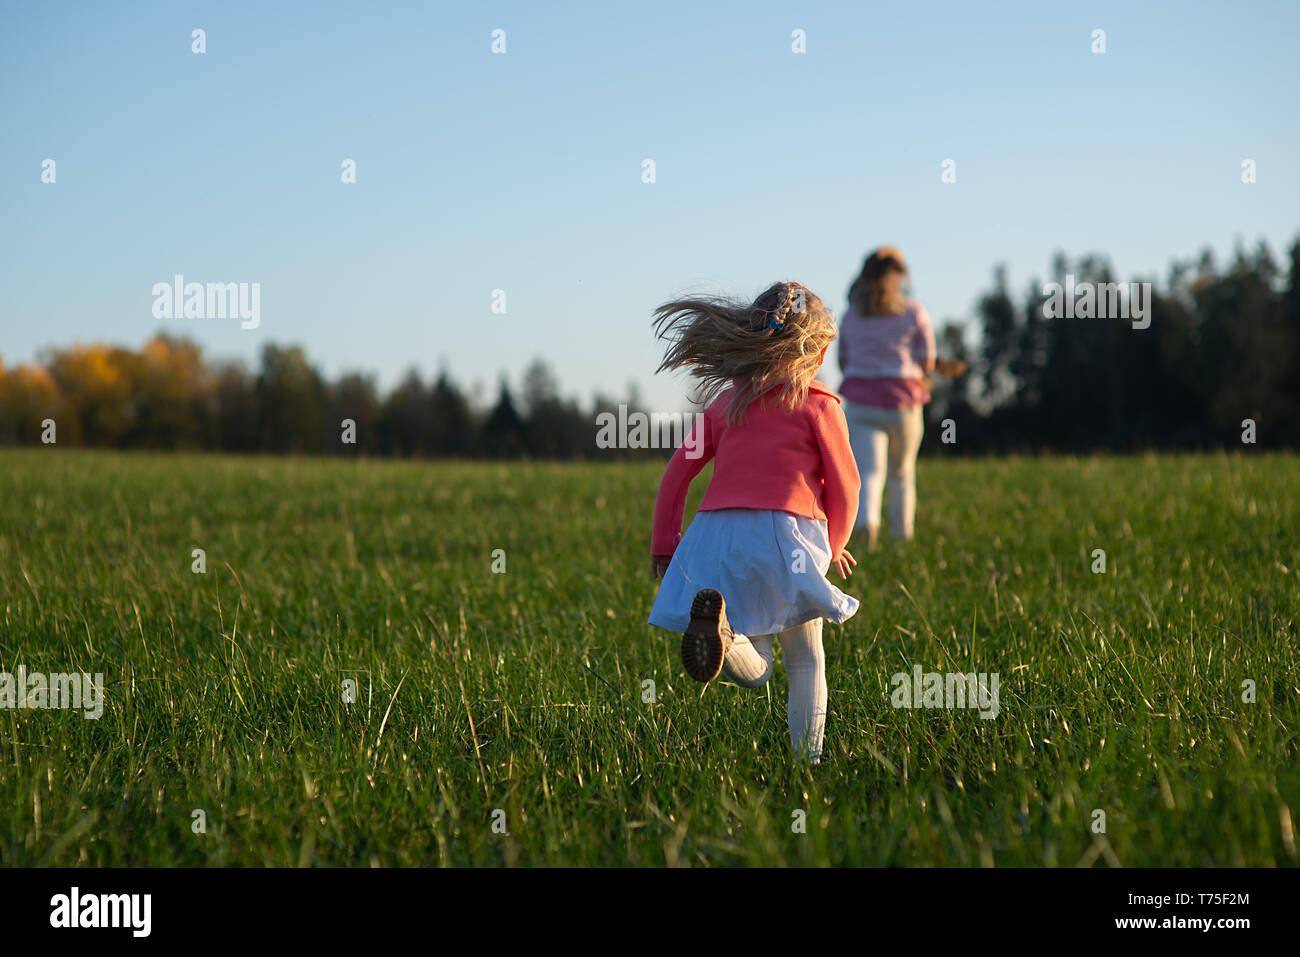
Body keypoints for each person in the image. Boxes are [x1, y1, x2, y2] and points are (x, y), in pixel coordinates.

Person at [647, 280, 860, 764]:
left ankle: (725, 633)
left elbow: (677, 473)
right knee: (805, 658)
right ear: (817, 348)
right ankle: (809, 762)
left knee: (758, 666)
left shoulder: (725, 404)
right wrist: (833, 544)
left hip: (717, 536)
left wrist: (666, 544)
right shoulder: (819, 405)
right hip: (786, 537)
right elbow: (846, 485)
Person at [838, 247, 934, 549]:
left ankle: (868, 523)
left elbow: (842, 360)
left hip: (861, 401)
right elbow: (928, 360)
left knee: (868, 471)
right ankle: (902, 538)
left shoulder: (851, 316)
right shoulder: (913, 311)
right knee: (902, 472)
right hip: (903, 403)